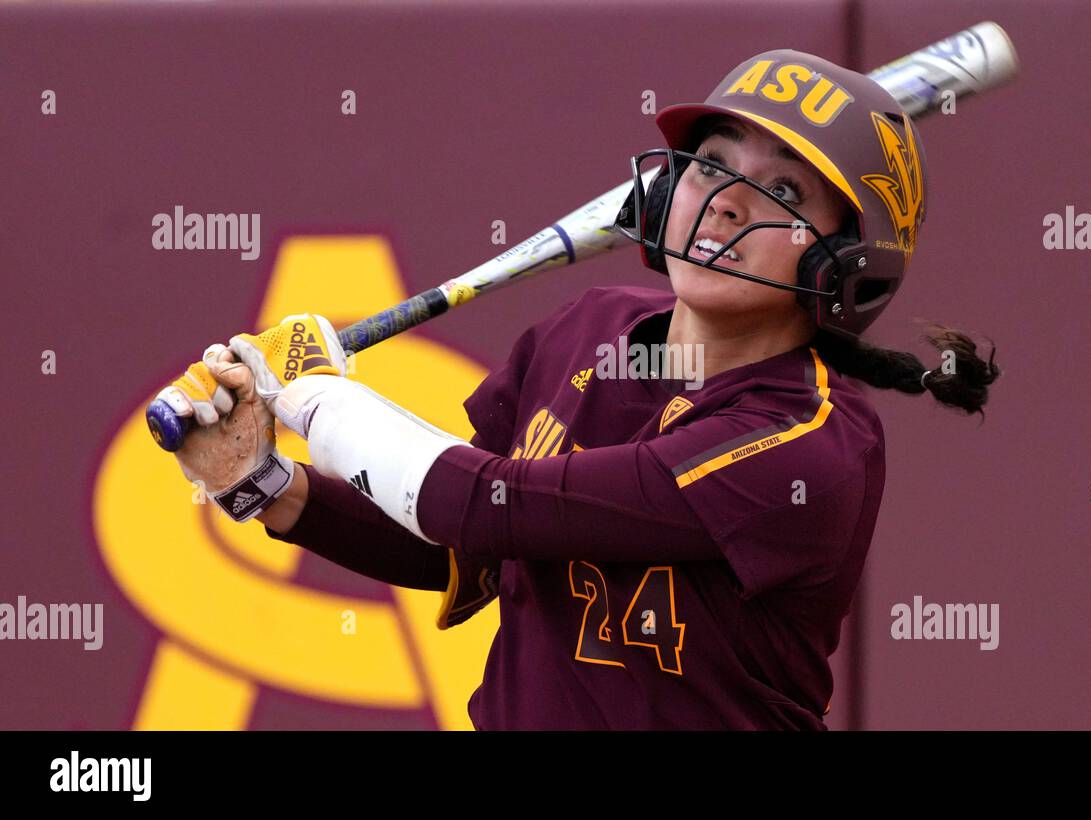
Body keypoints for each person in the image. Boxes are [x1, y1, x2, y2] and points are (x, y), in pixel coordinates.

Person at [156, 49, 999, 730]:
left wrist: (315, 400)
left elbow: (482, 504)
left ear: (844, 265)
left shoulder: (806, 439)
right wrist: (258, 481)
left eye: (781, 191)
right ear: (666, 190)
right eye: (711, 165)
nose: (727, 202)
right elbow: (460, 545)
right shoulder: (586, 330)